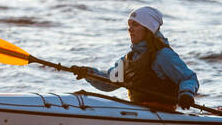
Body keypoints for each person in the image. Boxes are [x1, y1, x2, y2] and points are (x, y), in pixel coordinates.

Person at [71, 6, 200, 111]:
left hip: (163, 113)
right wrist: (88, 73)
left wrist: (186, 94)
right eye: (129, 24)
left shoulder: (163, 55)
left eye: (135, 25)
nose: (130, 29)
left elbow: (189, 78)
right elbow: (109, 82)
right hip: (138, 111)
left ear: (148, 29)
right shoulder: (129, 59)